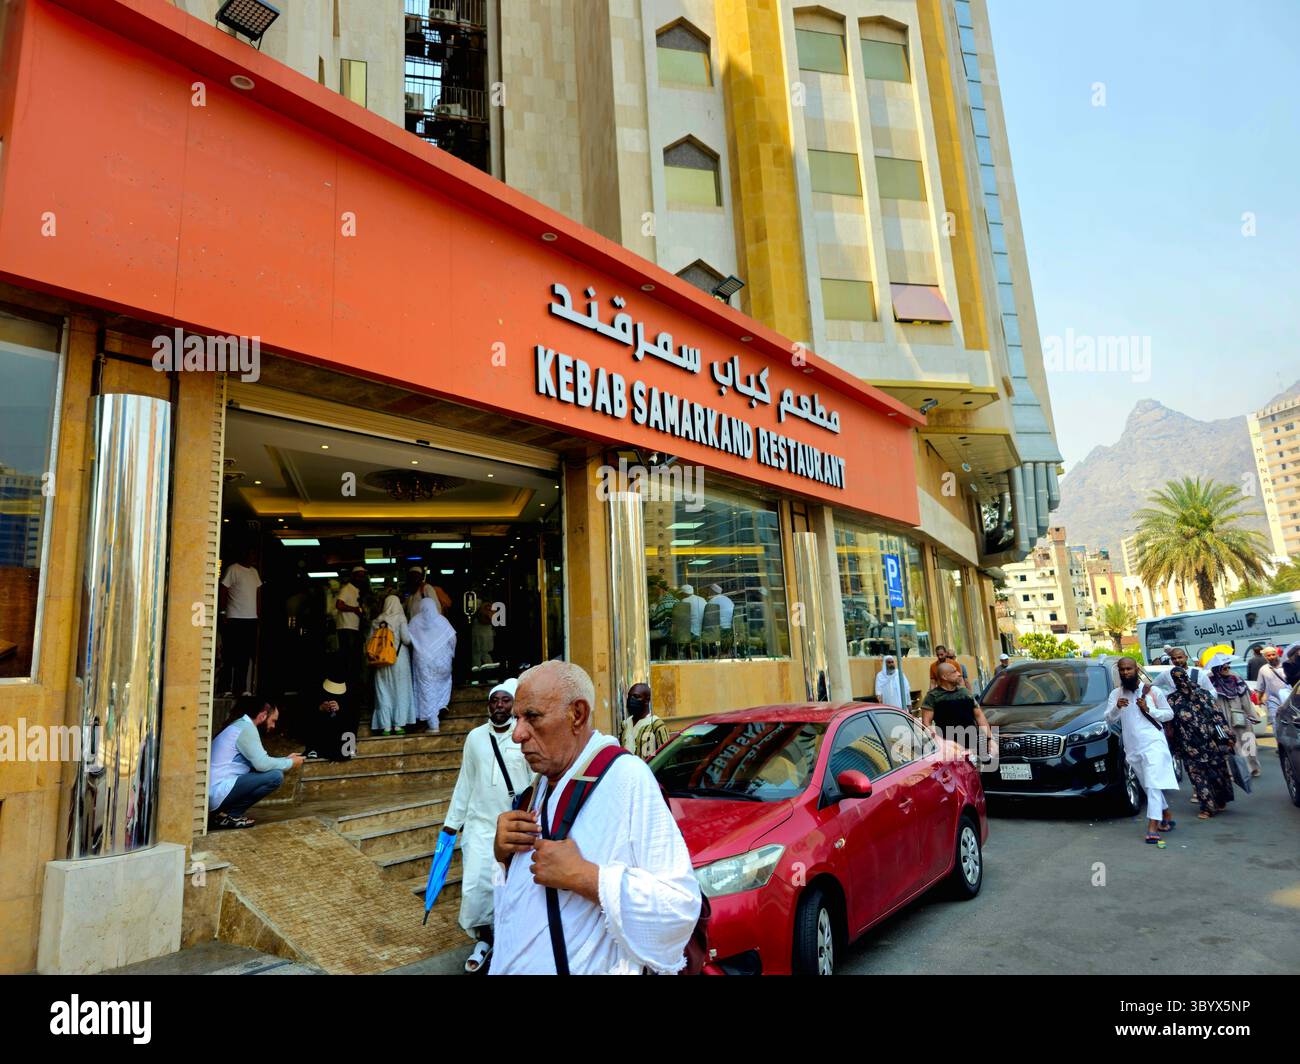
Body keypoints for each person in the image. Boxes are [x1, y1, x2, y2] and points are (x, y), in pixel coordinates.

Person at [490, 661, 701, 975]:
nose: (518, 734)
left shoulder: (628, 778)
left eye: (532, 717)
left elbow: (679, 908)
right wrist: (503, 855)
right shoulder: (537, 789)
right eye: (517, 718)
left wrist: (585, 877)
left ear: (577, 714)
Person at [442, 678, 530, 973]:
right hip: (479, 826)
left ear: (514, 705)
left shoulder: (522, 736)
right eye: (494, 701)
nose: (499, 706)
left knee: (506, 886)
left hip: (512, 827)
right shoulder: (475, 737)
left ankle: (507, 941)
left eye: (505, 701)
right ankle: (484, 939)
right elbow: (465, 781)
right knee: (476, 887)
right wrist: (451, 823)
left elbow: (535, 783)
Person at [1104, 657, 1178, 844]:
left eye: (1129, 669)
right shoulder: (1116, 694)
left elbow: (1169, 714)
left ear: (1136, 669)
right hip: (1132, 747)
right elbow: (1109, 719)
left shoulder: (1153, 691)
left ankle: (1153, 826)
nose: (1126, 673)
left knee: (1153, 784)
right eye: (1122, 670)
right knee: (1147, 784)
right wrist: (1116, 708)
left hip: (1154, 743)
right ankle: (1166, 813)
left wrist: (1150, 710)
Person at [208, 695, 303, 829]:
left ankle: (225, 815)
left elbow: (260, 760)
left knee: (266, 771)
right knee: (275, 776)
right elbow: (262, 764)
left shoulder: (241, 725)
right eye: (273, 720)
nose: (273, 726)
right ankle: (231, 816)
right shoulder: (246, 728)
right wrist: (290, 764)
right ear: (263, 715)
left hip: (216, 789)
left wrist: (286, 759)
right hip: (216, 791)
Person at [1167, 666, 1234, 819]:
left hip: (1210, 741)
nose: (1180, 681)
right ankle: (1207, 807)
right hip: (1187, 743)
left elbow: (1217, 715)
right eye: (1176, 678)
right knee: (1197, 776)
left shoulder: (1203, 694)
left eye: (1182, 677)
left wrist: (1228, 735)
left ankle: (1220, 799)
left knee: (1217, 772)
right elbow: (1169, 723)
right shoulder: (1172, 699)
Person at [921, 661, 993, 755]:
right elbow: (926, 724)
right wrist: (941, 743)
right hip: (950, 750)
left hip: (973, 745)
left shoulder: (965, 693)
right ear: (944, 677)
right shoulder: (933, 697)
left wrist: (989, 738)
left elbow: (979, 716)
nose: (959, 674)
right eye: (954, 672)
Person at [1206, 653, 1260, 777]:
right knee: (1229, 743)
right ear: (1217, 668)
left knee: (1248, 740)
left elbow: (1245, 698)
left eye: (1228, 667)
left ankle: (1253, 767)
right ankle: (1235, 771)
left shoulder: (1235, 677)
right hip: (1221, 716)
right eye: (1224, 668)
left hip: (1239, 713)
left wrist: (1251, 715)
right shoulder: (1210, 680)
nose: (1227, 670)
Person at [219, 544, 262, 696]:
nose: (254, 557)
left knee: (245, 656)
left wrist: (258, 613)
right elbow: (223, 589)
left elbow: (257, 593)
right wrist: (223, 611)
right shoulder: (233, 569)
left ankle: (241, 688)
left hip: (250, 619)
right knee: (230, 654)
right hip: (234, 617)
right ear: (245, 554)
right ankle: (226, 688)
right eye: (252, 554)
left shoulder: (254, 572)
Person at [369, 593, 415, 735]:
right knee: (400, 691)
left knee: (383, 692)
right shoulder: (400, 618)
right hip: (399, 660)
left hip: (380, 662)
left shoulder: (376, 621)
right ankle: (399, 725)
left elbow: (369, 642)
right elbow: (406, 640)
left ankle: (386, 726)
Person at [409, 594, 456, 732]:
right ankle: (440, 706)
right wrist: (450, 654)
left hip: (423, 663)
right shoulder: (442, 620)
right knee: (441, 686)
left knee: (427, 690)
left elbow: (408, 639)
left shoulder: (415, 621)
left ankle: (433, 723)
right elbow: (452, 638)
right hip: (442, 663)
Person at [304, 677, 355, 761]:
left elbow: (350, 722)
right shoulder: (317, 695)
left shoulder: (348, 699)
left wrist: (339, 710)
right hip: (322, 734)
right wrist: (320, 709)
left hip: (341, 738)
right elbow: (308, 716)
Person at [334, 567, 368, 691]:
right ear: (353, 576)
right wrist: (354, 609)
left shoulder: (357, 590)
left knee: (353, 657)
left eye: (362, 576)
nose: (361, 578)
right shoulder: (347, 588)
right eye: (358, 576)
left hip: (354, 627)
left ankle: (352, 682)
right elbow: (339, 604)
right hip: (346, 627)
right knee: (347, 657)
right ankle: (346, 683)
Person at [620, 683, 670, 761]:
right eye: (629, 696)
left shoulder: (656, 724)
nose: (631, 700)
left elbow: (666, 757)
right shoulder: (625, 725)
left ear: (647, 700)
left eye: (636, 697)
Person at [1257, 645, 1290, 725]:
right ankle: (1279, 737)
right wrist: (1259, 701)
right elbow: (1260, 687)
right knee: (1276, 722)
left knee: (1290, 721)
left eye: (1273, 654)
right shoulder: (1263, 669)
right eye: (1268, 655)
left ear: (1277, 655)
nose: (1271, 657)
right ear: (1265, 657)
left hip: (1289, 699)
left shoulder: (1286, 666)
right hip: (1273, 700)